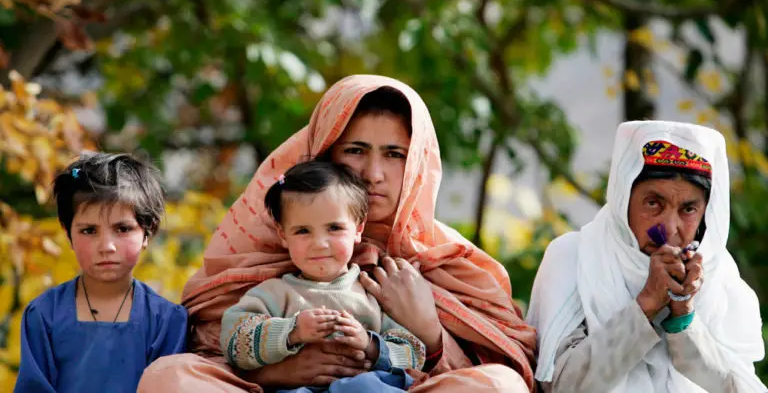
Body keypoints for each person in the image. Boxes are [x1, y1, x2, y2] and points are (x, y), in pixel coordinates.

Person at [139, 75, 536, 392]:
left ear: (417, 162)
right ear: (325, 151)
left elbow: (504, 362)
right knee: (168, 377)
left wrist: (428, 329)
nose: (373, 174)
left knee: (502, 387)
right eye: (356, 151)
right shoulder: (263, 240)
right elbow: (211, 343)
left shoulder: (445, 257)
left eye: (394, 154)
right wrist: (280, 368)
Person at [527, 121, 766, 392]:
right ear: (623, 200)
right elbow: (559, 386)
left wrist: (684, 319)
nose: (669, 228)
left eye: (688, 209)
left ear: (705, 214)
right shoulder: (574, 257)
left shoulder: (721, 282)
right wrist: (646, 305)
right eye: (653, 203)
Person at [221, 161, 425, 392]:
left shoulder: (373, 291)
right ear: (283, 235)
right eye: (302, 231)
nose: (319, 244)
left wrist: (370, 344)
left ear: (358, 229)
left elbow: (414, 353)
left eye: (335, 228)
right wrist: (291, 331)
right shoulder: (274, 293)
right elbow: (234, 343)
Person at [14, 152, 188, 393]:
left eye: (123, 228)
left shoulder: (166, 321)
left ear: (148, 232)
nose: (107, 246)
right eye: (88, 231)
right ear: (68, 234)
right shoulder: (43, 315)